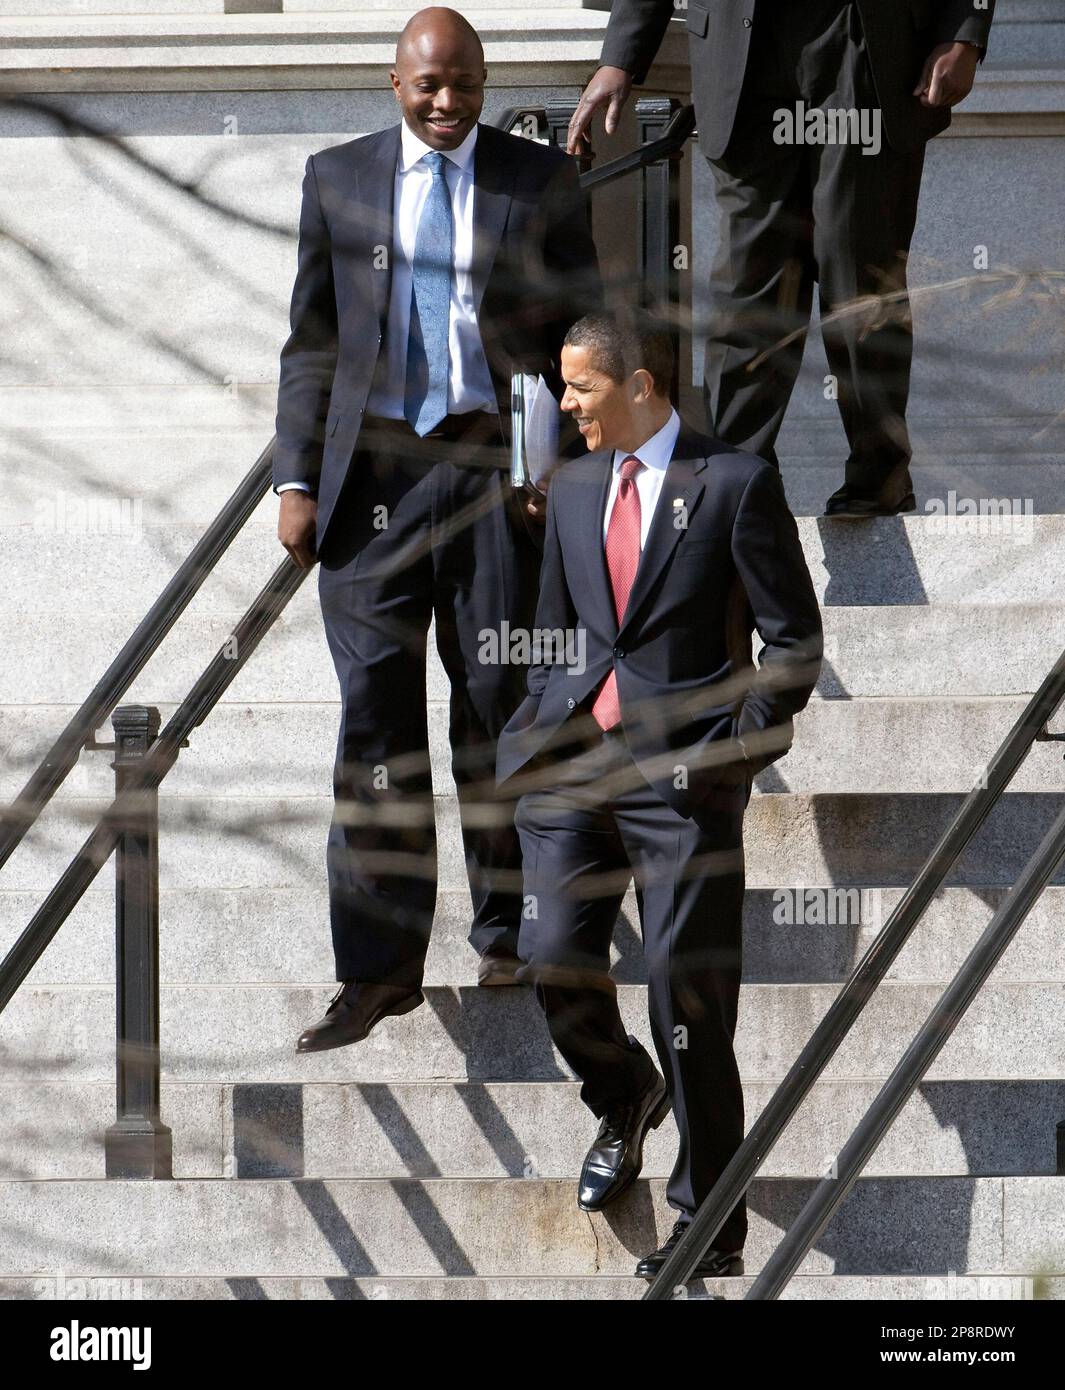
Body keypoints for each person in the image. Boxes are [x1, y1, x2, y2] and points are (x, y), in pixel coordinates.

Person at [273, 7, 600, 1052]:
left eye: (465, 84)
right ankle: (376, 969)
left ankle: (506, 925)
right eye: (429, 87)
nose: (449, 104)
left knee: (497, 701)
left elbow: (575, 333)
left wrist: (566, 464)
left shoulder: (536, 183)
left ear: (484, 79)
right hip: (369, 481)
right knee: (373, 715)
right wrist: (293, 479)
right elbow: (310, 346)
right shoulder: (340, 180)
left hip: (494, 475)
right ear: (395, 83)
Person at [496, 310, 822, 1279]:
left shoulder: (734, 482)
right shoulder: (572, 488)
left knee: (688, 992)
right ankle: (624, 1090)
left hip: (686, 783)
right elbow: (558, 629)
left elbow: (793, 644)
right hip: (573, 769)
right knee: (552, 954)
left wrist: (727, 755)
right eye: (560, 385)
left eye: (580, 387)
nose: (563, 404)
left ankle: (711, 1221)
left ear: (640, 386)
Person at [567, 0, 996, 516]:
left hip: (864, 49)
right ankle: (735, 478)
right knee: (746, 290)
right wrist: (620, 57)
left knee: (857, 278)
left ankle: (878, 478)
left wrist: (964, 31)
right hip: (746, 58)